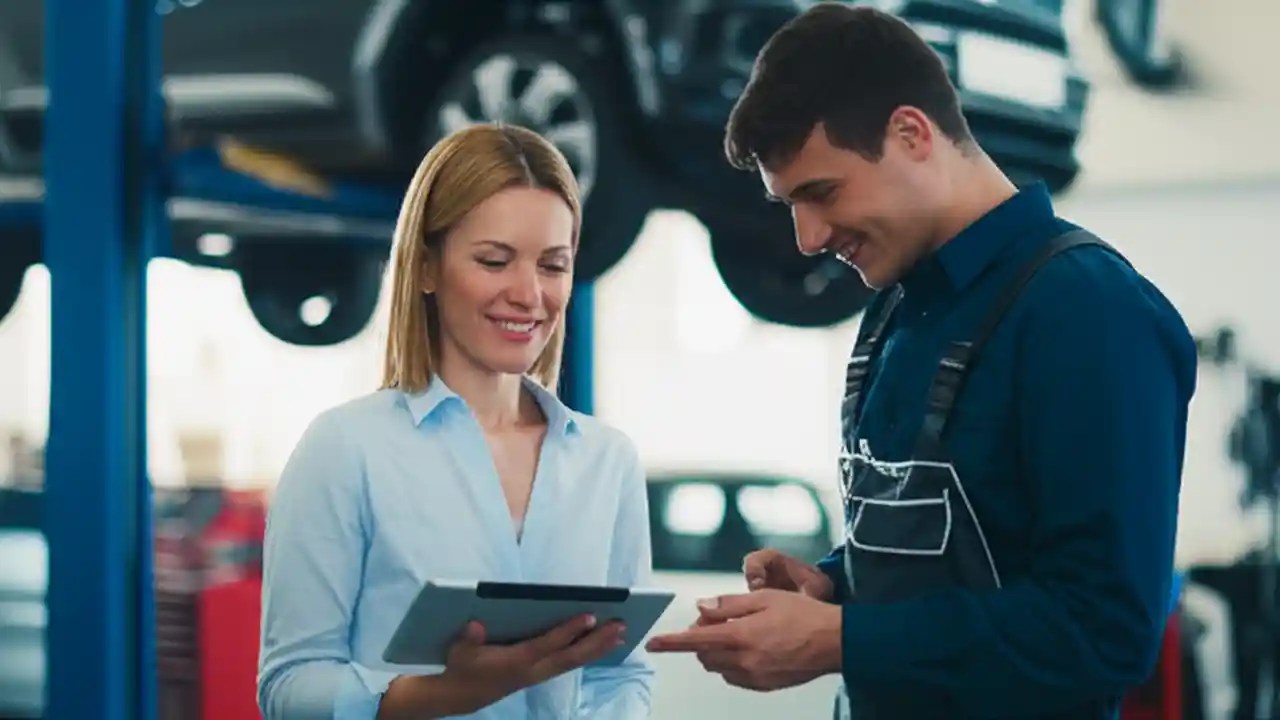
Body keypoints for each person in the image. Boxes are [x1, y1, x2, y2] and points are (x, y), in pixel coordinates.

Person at [645, 4, 1198, 719]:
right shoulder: (897, 309)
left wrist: (844, 639)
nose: (807, 238)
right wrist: (834, 587)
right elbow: (969, 557)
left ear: (911, 134)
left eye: (821, 193)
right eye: (788, 205)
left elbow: (1104, 629)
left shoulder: (1086, 311)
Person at [257, 123, 656, 720]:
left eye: (553, 266)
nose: (529, 294)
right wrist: (431, 697)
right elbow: (288, 686)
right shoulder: (346, 449)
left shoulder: (607, 461)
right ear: (423, 267)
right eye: (495, 261)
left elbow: (623, 673)